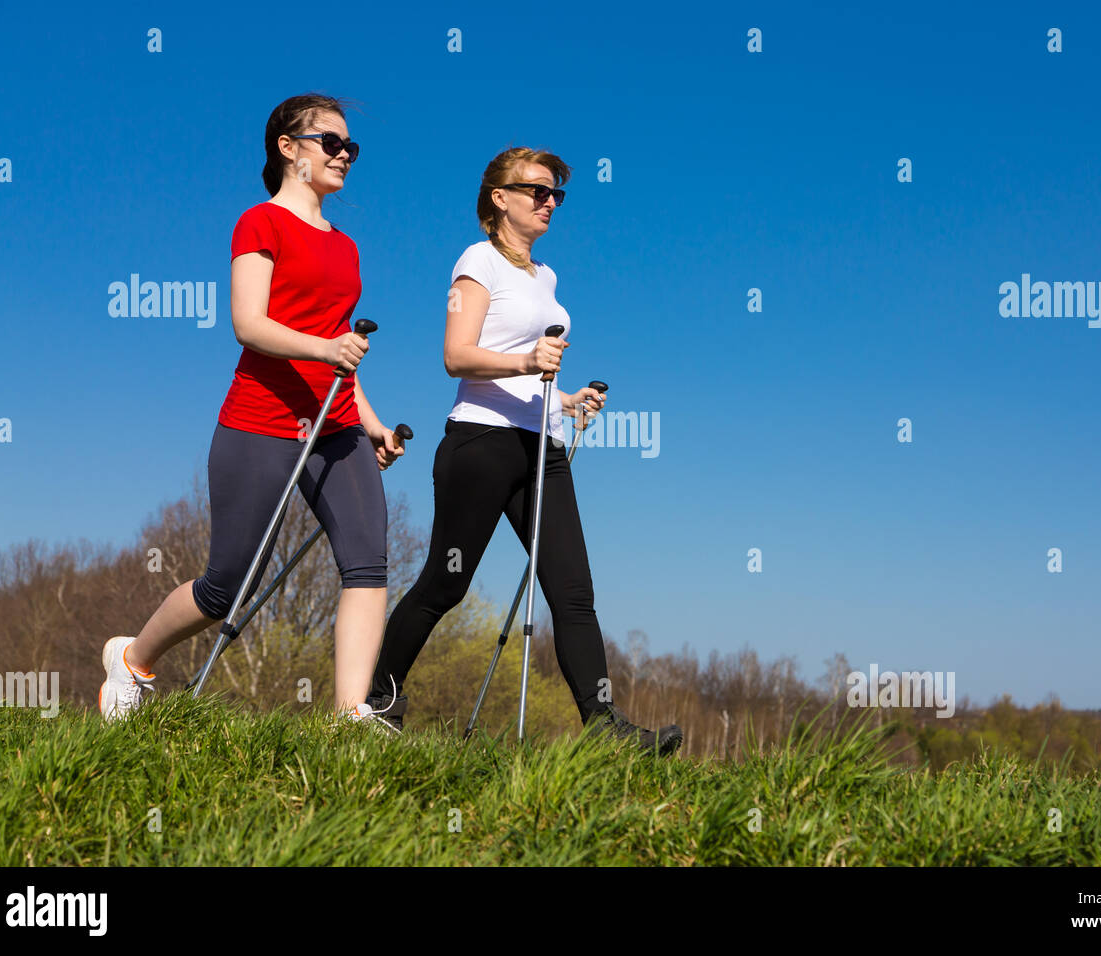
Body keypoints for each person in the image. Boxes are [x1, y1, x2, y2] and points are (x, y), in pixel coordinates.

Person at [99, 93, 405, 724]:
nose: (345, 155)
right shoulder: (259, 223)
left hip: (335, 427)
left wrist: (369, 417)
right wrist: (326, 347)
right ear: (288, 148)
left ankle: (352, 715)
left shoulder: (346, 248)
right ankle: (131, 660)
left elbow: (340, 346)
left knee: (369, 560)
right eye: (331, 142)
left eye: (352, 147)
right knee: (227, 585)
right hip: (260, 421)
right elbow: (249, 322)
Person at [365, 146, 682, 754]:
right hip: (481, 443)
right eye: (536, 189)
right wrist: (527, 361)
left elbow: (527, 373)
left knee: (572, 591)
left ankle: (605, 730)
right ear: (498, 198)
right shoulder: (476, 262)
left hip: (542, 448)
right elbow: (456, 356)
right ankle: (378, 695)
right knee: (446, 583)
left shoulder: (548, 277)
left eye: (556, 193)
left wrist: (565, 399)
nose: (548, 201)